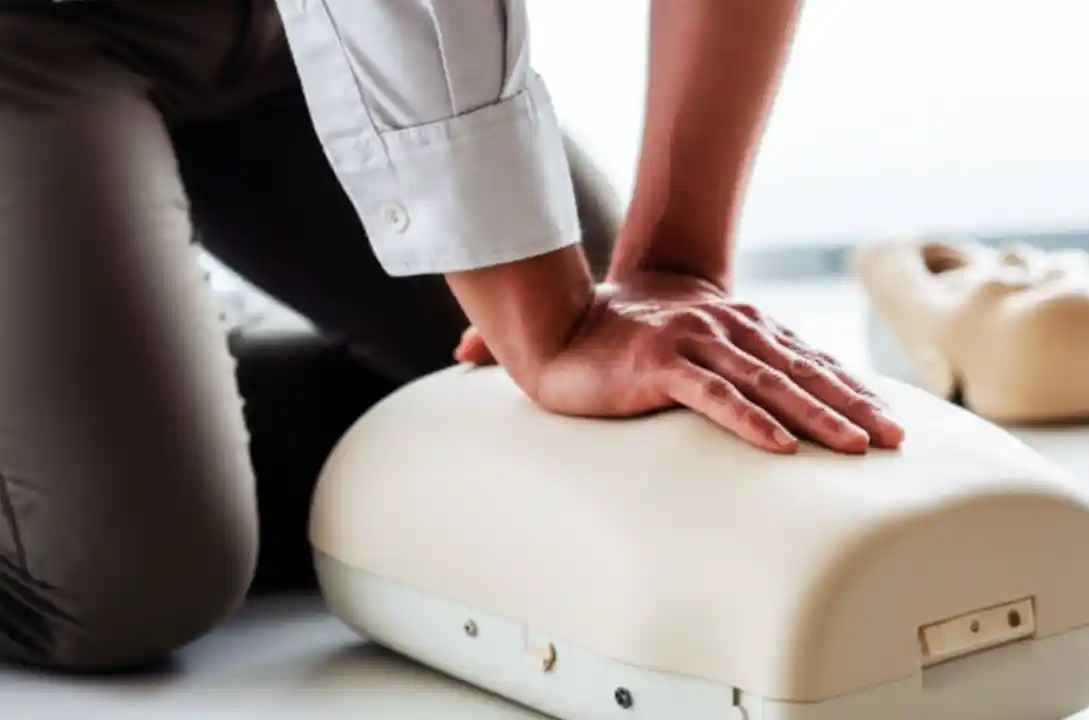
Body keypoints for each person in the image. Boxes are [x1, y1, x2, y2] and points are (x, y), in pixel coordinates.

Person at [0, 0, 903, 672]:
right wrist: (546, 328)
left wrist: (674, 269)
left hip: (280, 30)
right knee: (124, 583)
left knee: (607, 416)